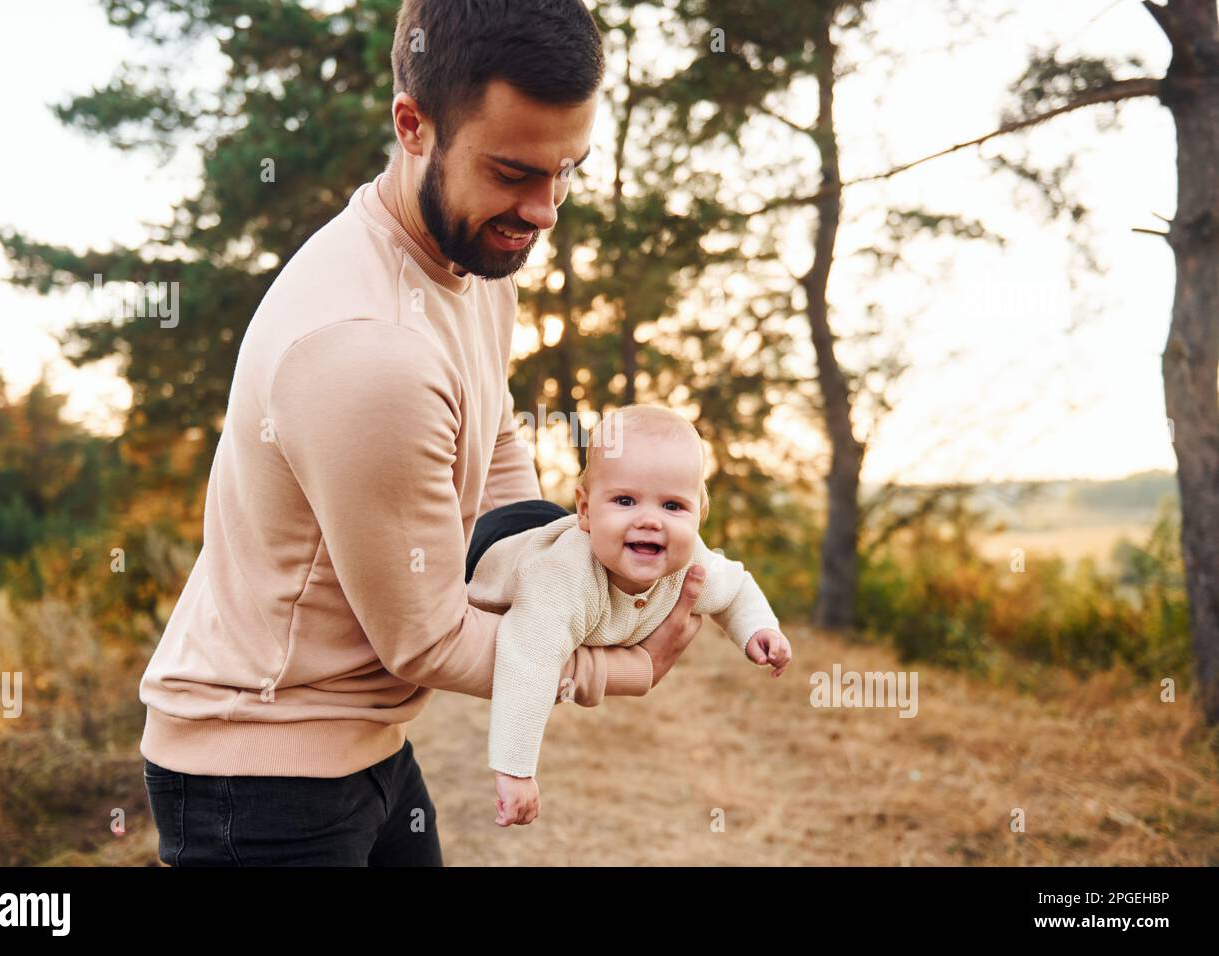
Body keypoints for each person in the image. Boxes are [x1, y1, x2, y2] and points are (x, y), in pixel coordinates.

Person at [137, 0, 706, 867]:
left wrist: (561, 564)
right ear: (413, 124)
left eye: (566, 173)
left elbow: (494, 441)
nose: (545, 210)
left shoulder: (472, 259)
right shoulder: (370, 354)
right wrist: (624, 664)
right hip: (255, 777)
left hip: (368, 743)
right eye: (514, 170)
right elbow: (429, 637)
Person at [465, 405, 792, 827]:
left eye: (673, 506)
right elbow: (528, 660)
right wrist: (516, 770)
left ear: (699, 516)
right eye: (625, 500)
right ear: (585, 510)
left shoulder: (690, 565)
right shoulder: (565, 581)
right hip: (490, 548)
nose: (650, 520)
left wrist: (759, 629)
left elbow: (737, 588)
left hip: (564, 527)